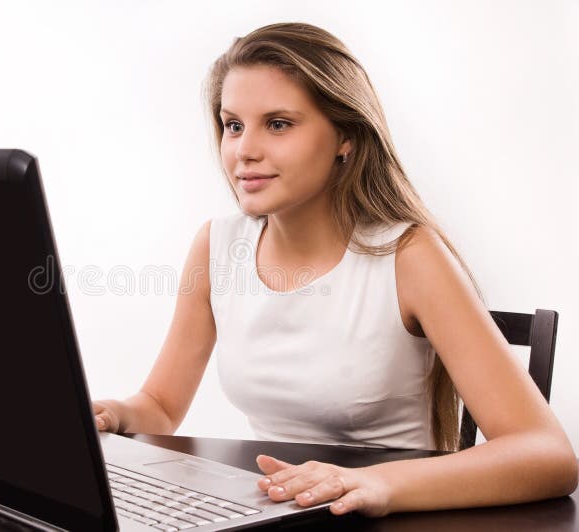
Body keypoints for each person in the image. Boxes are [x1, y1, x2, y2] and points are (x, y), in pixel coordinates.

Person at [92, 22, 577, 517]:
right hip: (283, 511)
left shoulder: (409, 254)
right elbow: (161, 405)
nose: (244, 150)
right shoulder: (217, 246)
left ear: (344, 136)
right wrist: (115, 413)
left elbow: (548, 455)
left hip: (398, 517)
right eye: (233, 124)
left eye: (278, 124)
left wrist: (376, 485)